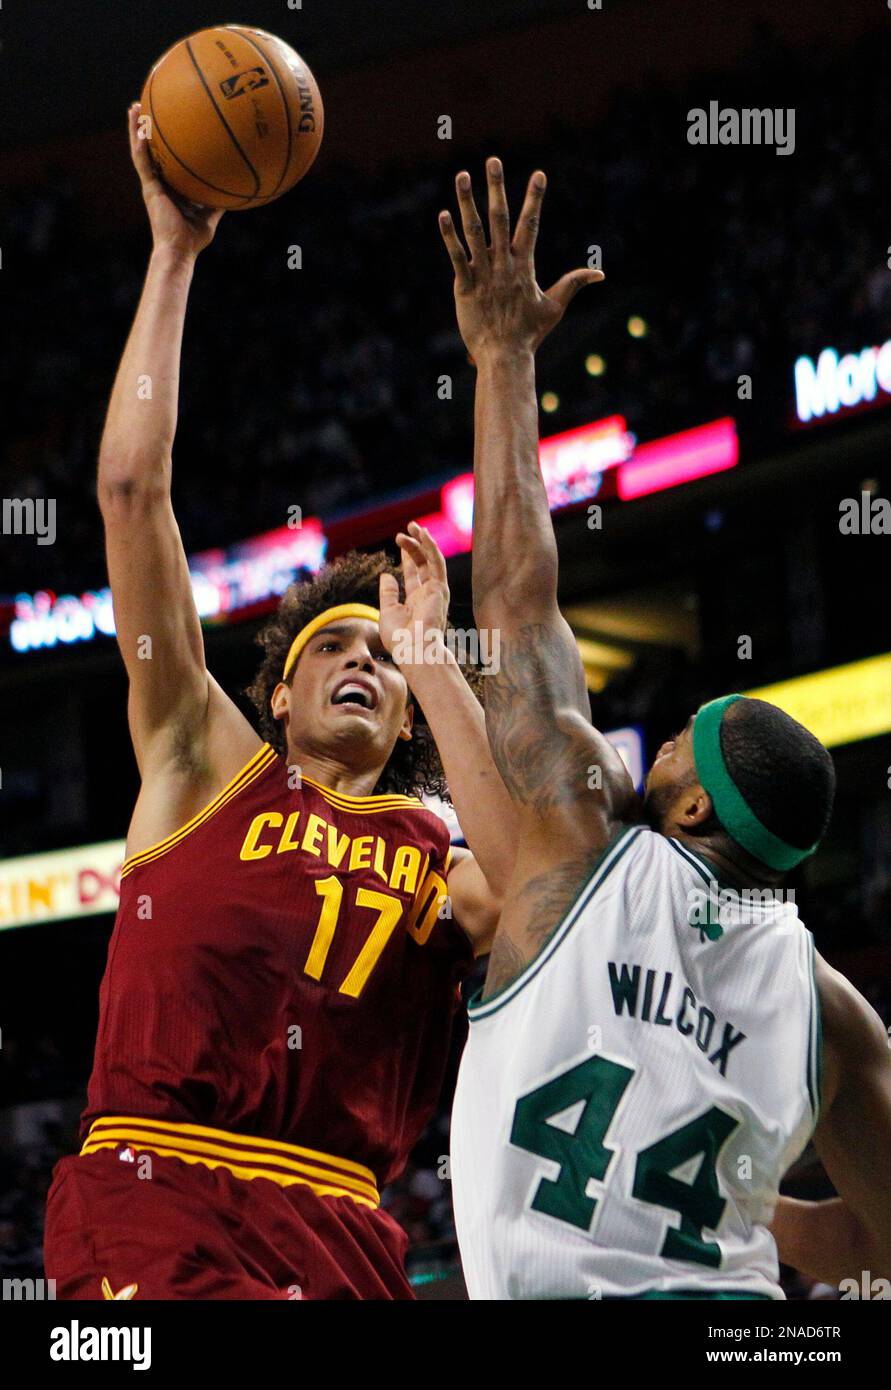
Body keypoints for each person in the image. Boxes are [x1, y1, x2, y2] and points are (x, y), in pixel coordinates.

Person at [43, 107, 516, 1301]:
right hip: (153, 1199)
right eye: (335, 647)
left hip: (346, 1235)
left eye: (388, 654)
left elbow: (549, 920)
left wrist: (444, 655)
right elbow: (129, 489)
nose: (363, 662)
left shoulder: (442, 857)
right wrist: (174, 253)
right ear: (283, 690)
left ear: (412, 711)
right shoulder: (206, 764)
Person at [439, 157, 891, 1299]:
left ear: (691, 803)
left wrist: (503, 358)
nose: (666, 737)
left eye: (685, 736)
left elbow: (512, 598)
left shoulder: (582, 847)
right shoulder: (833, 1013)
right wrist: (748, 1201)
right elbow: (876, 1240)